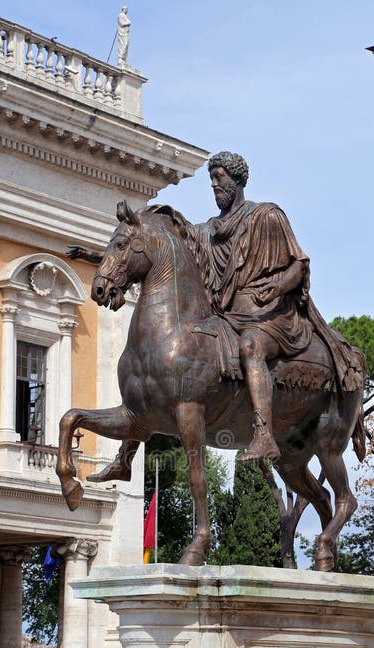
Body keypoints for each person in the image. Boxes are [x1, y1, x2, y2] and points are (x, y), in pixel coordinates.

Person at [88, 150, 356, 477]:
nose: (214, 185)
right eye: (211, 179)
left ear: (238, 180)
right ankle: (125, 456)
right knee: (164, 364)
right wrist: (103, 261)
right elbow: (166, 241)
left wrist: (276, 288)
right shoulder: (207, 231)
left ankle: (263, 434)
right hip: (227, 314)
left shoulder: (266, 215)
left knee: (251, 347)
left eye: (220, 177)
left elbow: (299, 265)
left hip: (268, 313)